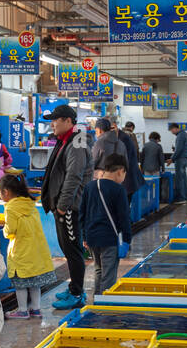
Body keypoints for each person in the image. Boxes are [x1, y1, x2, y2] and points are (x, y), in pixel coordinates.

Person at [39, 104, 91, 310]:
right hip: (64, 206)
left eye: (56, 119)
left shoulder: (76, 142)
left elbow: (74, 176)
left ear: (68, 121)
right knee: (69, 248)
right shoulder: (67, 140)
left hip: (69, 207)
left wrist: (62, 206)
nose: (52, 124)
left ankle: (77, 293)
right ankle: (74, 287)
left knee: (73, 250)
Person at [0, 171, 57, 318]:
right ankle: (36, 309)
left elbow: (10, 230)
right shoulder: (30, 204)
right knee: (34, 283)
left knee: (21, 284)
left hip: (21, 250)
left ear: (5, 192)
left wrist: (5, 232)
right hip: (36, 250)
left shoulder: (11, 208)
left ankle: (23, 310)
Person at [81, 151, 132, 295]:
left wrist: (84, 237)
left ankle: (97, 302)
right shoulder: (119, 190)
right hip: (110, 239)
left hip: (92, 238)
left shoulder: (90, 187)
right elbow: (124, 218)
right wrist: (127, 240)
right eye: (124, 174)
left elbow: (82, 214)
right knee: (108, 275)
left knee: (99, 270)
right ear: (120, 171)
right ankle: (104, 308)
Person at [169, 122, 187, 203]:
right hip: (184, 158)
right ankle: (185, 196)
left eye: (172, 130)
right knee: (183, 179)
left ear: (175, 128)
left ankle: (181, 198)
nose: (172, 132)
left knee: (179, 179)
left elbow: (179, 149)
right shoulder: (185, 134)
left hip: (180, 159)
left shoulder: (180, 136)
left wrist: (172, 158)